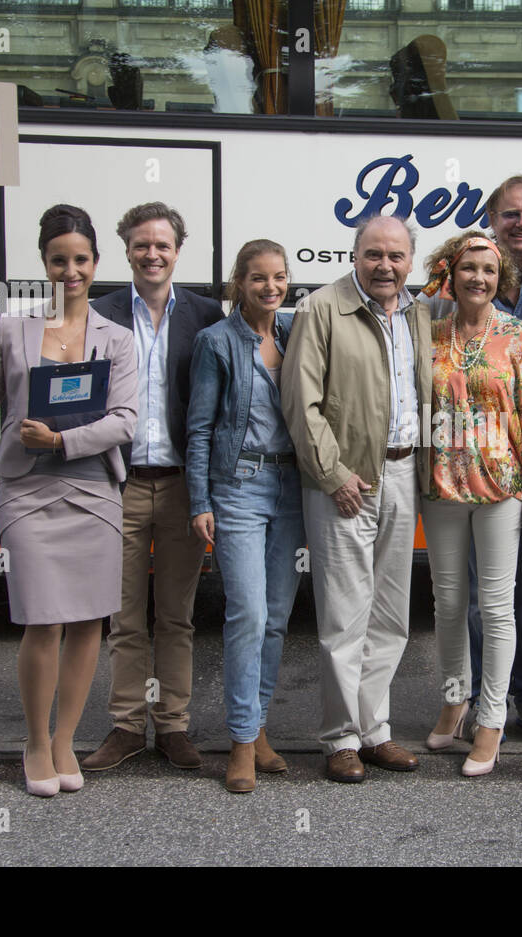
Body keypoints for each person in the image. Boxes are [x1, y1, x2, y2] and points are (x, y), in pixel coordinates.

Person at [0, 203, 137, 797]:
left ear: (95, 264)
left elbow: (124, 421)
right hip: (26, 491)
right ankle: (33, 739)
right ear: (44, 264)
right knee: (43, 620)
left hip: (93, 491)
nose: (70, 271)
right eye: (59, 260)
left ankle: (65, 739)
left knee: (87, 622)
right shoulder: (12, 329)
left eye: (80, 260)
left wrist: (63, 439)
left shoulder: (117, 339)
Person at [423, 173, 522, 743]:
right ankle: (459, 701)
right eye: (509, 214)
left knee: (517, 601)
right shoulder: (429, 323)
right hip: (443, 484)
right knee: (453, 603)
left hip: (508, 483)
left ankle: (515, 706)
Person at [281, 215, 433, 783]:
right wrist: (334, 475)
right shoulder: (323, 309)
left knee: (391, 615)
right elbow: (302, 401)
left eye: (395, 256)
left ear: (410, 261)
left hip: (402, 473)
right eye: (374, 254)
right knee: (345, 616)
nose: (385, 265)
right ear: (354, 256)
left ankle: (376, 732)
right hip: (346, 481)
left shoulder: (417, 312)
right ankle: (340, 737)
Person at [82, 203, 223, 775]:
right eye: (142, 245)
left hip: (185, 487)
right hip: (119, 483)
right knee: (122, 616)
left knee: (177, 615)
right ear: (127, 250)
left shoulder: (207, 314)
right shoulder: (100, 313)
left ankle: (173, 726)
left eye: (162, 245)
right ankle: (124, 726)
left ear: (177, 251)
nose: (152, 254)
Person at [187, 240, 302, 793]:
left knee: (277, 616)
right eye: (259, 278)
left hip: (292, 489)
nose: (271, 288)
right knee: (248, 614)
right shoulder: (216, 342)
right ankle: (238, 742)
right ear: (239, 282)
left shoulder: (295, 333)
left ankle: (257, 728)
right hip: (238, 487)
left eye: (279, 277)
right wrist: (199, 501)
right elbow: (201, 427)